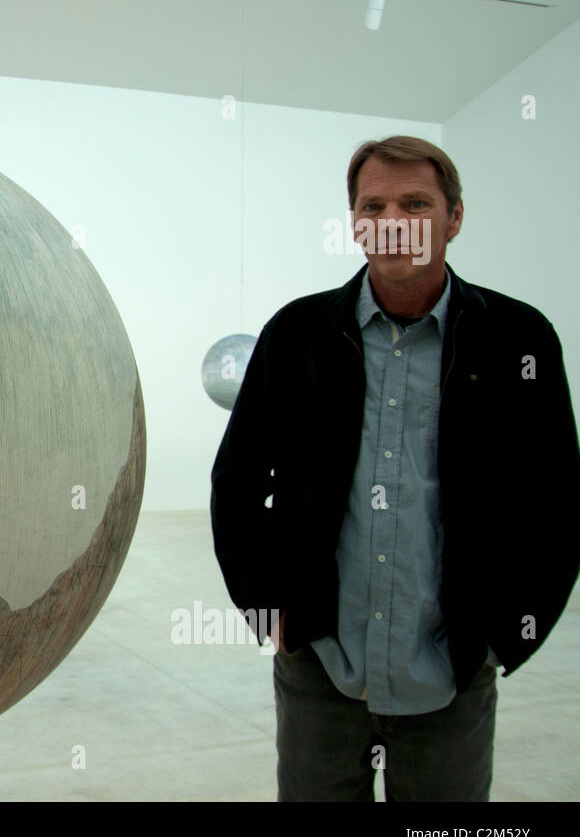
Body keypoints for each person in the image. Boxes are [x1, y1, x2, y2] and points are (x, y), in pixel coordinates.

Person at [210, 135, 580, 801]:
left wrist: (501, 640)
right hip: (321, 668)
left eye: (415, 202)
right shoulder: (297, 335)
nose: (393, 223)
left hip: (449, 676)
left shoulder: (519, 340)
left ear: (455, 217)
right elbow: (237, 484)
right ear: (353, 225)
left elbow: (557, 501)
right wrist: (272, 615)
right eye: (373, 206)